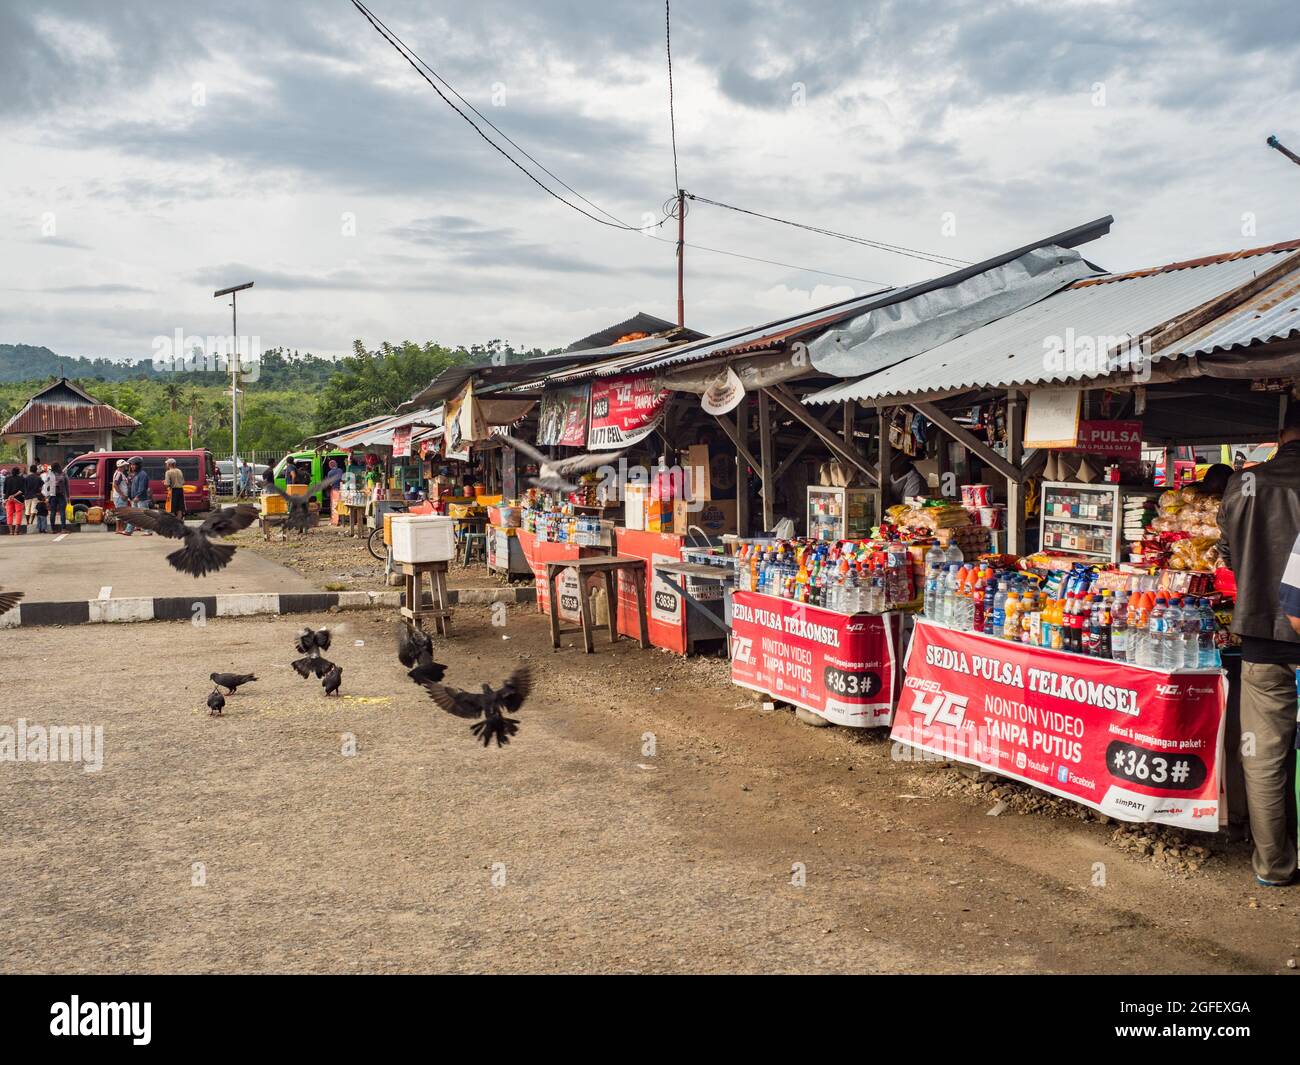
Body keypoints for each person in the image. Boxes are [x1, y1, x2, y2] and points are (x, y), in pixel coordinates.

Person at [1218, 406, 1300, 887]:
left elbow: (1228, 557)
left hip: (1262, 643)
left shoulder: (1242, 484)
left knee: (1265, 756)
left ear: (1279, 433)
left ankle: (1274, 864)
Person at [127, 458, 152, 536]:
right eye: (131, 465)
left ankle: (148, 531)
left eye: (133, 465)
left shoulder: (142, 474)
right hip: (135, 498)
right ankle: (129, 530)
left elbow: (142, 487)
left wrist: (137, 496)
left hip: (141, 499)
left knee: (144, 515)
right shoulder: (136, 474)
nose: (132, 466)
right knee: (133, 515)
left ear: (138, 465)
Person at [111, 459, 131, 535]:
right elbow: (115, 485)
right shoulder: (119, 474)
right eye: (124, 465)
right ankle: (119, 529)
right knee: (121, 513)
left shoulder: (120, 473)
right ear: (121, 466)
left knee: (120, 512)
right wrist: (122, 495)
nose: (126, 466)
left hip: (120, 496)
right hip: (120, 497)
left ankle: (119, 528)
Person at [4, 467, 23, 534]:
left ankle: (11, 531)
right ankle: (16, 531)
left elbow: (4, 491)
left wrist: (9, 497)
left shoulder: (7, 478)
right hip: (18, 498)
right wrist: (14, 495)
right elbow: (22, 490)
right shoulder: (21, 479)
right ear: (18, 472)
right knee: (19, 513)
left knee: (9, 514)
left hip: (8, 498)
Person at [50, 461, 68, 530]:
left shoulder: (50, 475)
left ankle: (52, 529)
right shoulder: (63, 474)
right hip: (61, 495)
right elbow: (67, 486)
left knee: (53, 512)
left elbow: (46, 486)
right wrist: (68, 496)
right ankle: (63, 528)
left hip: (52, 496)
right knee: (62, 512)